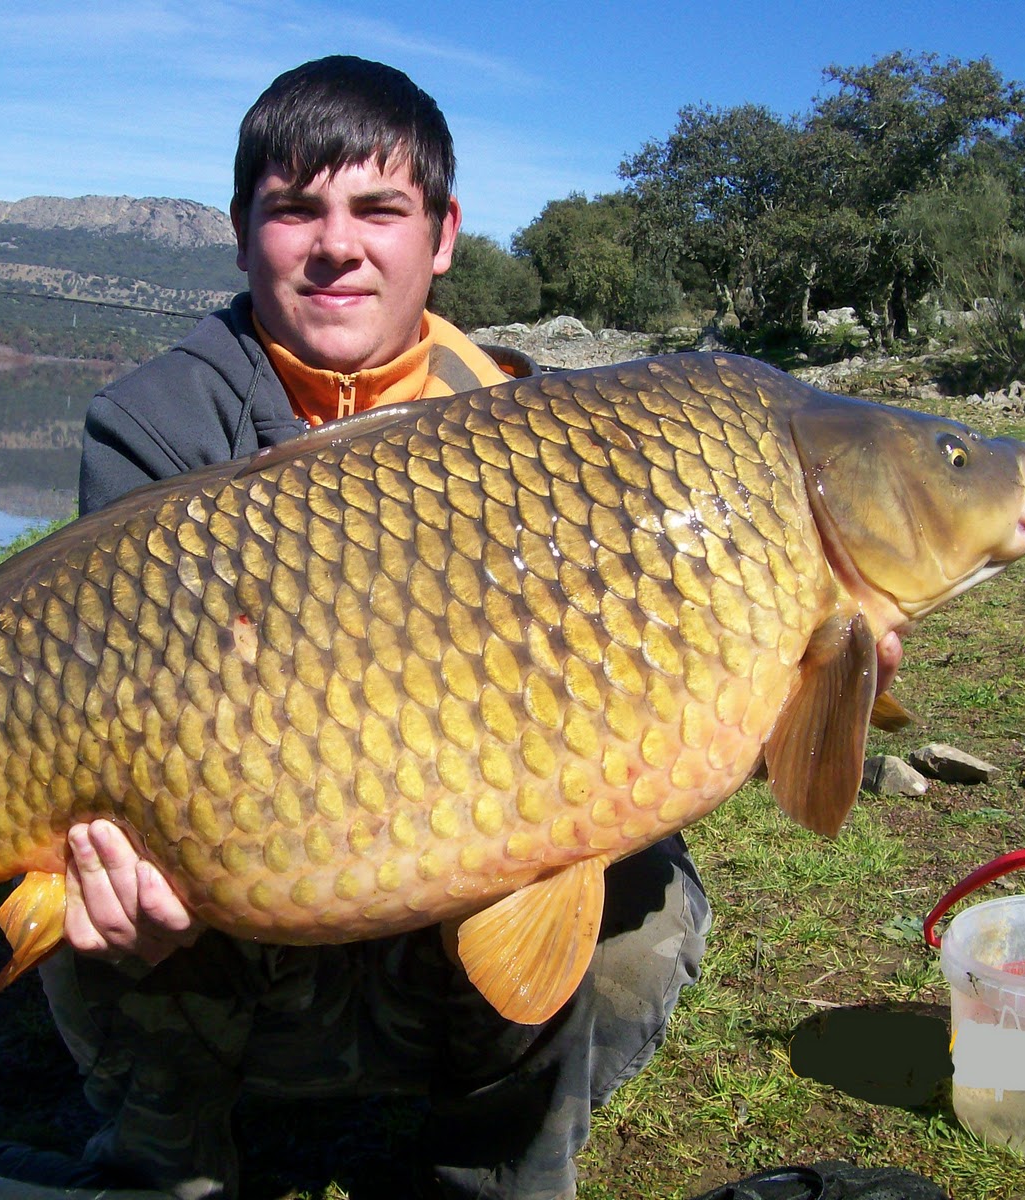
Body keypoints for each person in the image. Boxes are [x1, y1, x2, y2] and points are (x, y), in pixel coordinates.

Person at [40, 56, 710, 1200]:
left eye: (379, 210)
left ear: (442, 236)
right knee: (87, 877)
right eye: (295, 208)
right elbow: (118, 710)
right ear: (243, 232)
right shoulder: (156, 423)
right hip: (244, 868)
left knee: (638, 903)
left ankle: (492, 1163)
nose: (335, 244)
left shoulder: (531, 422)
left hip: (447, 849)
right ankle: (174, 1165)